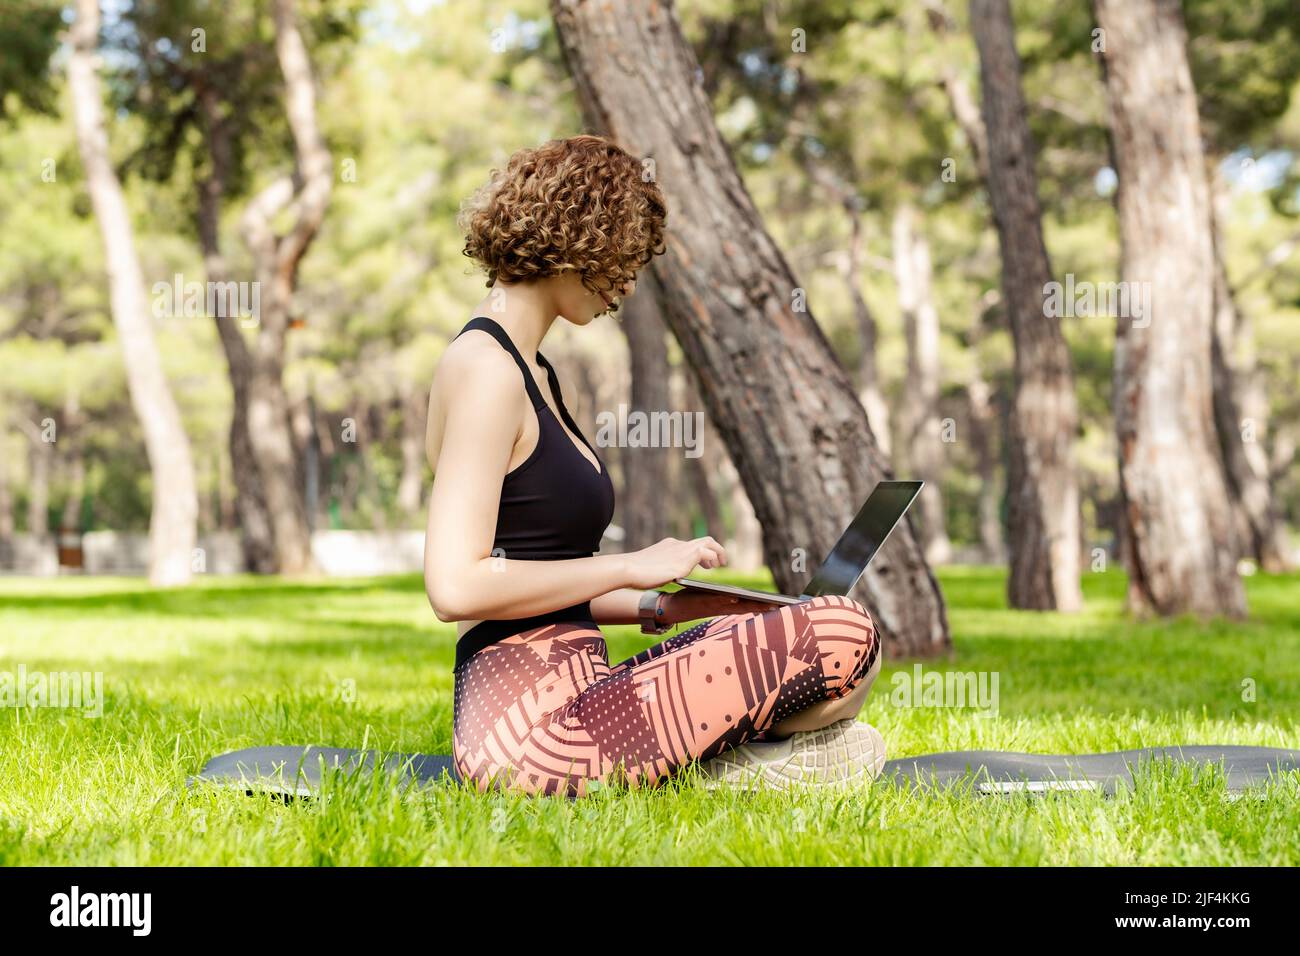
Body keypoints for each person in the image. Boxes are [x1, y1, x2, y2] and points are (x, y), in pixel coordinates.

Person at [423, 134, 885, 797]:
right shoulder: (482, 370)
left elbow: (545, 576)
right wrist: (628, 564)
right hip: (524, 738)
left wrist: (663, 604)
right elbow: (457, 588)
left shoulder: (544, 376)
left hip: (585, 697)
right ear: (575, 237)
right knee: (842, 633)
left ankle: (719, 768)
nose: (629, 282)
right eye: (624, 257)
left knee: (820, 629)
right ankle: (734, 766)